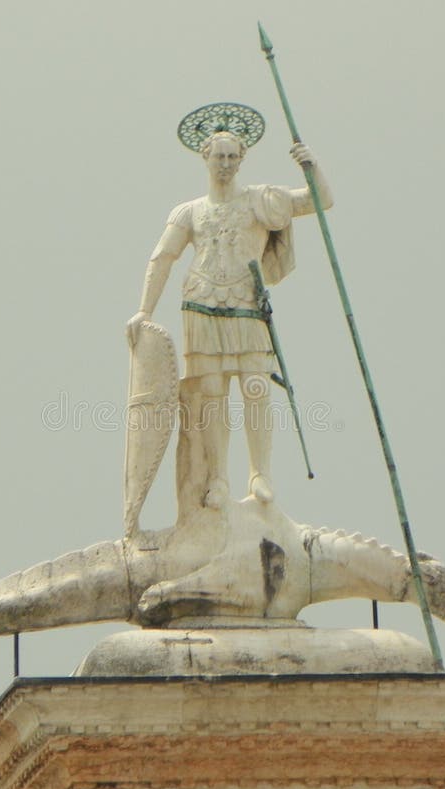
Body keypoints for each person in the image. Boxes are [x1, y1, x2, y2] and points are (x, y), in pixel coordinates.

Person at [127, 130, 333, 510]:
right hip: (201, 303)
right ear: (205, 158)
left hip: (246, 300)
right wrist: (145, 310)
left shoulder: (261, 200)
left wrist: (311, 166)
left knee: (256, 385)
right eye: (218, 156)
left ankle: (260, 474)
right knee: (211, 392)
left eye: (231, 157)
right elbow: (162, 257)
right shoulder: (188, 211)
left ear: (241, 160)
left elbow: (318, 200)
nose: (224, 164)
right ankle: (218, 477)